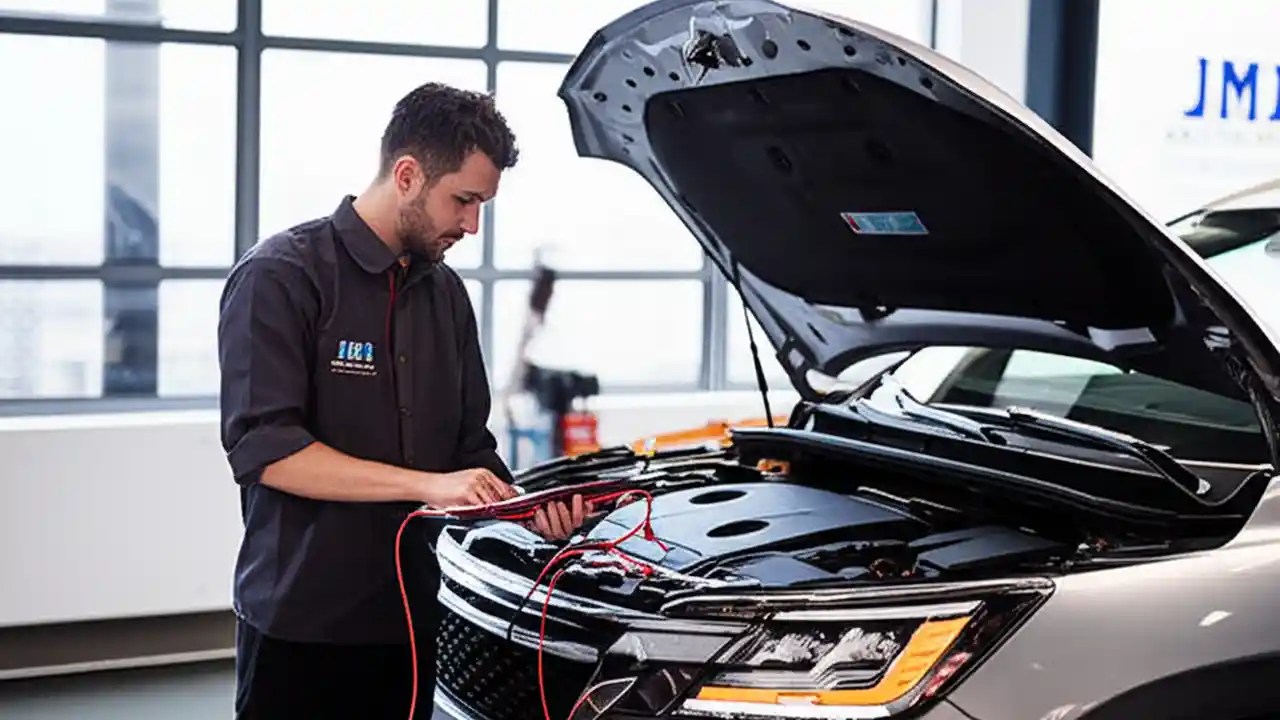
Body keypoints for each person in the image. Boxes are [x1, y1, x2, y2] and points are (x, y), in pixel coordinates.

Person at [217, 82, 592, 719]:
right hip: (300, 627)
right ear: (409, 174)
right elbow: (269, 452)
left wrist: (529, 512)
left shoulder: (447, 298)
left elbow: (469, 454)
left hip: (411, 624)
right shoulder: (281, 276)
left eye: (482, 206)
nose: (472, 224)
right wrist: (430, 485)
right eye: (464, 200)